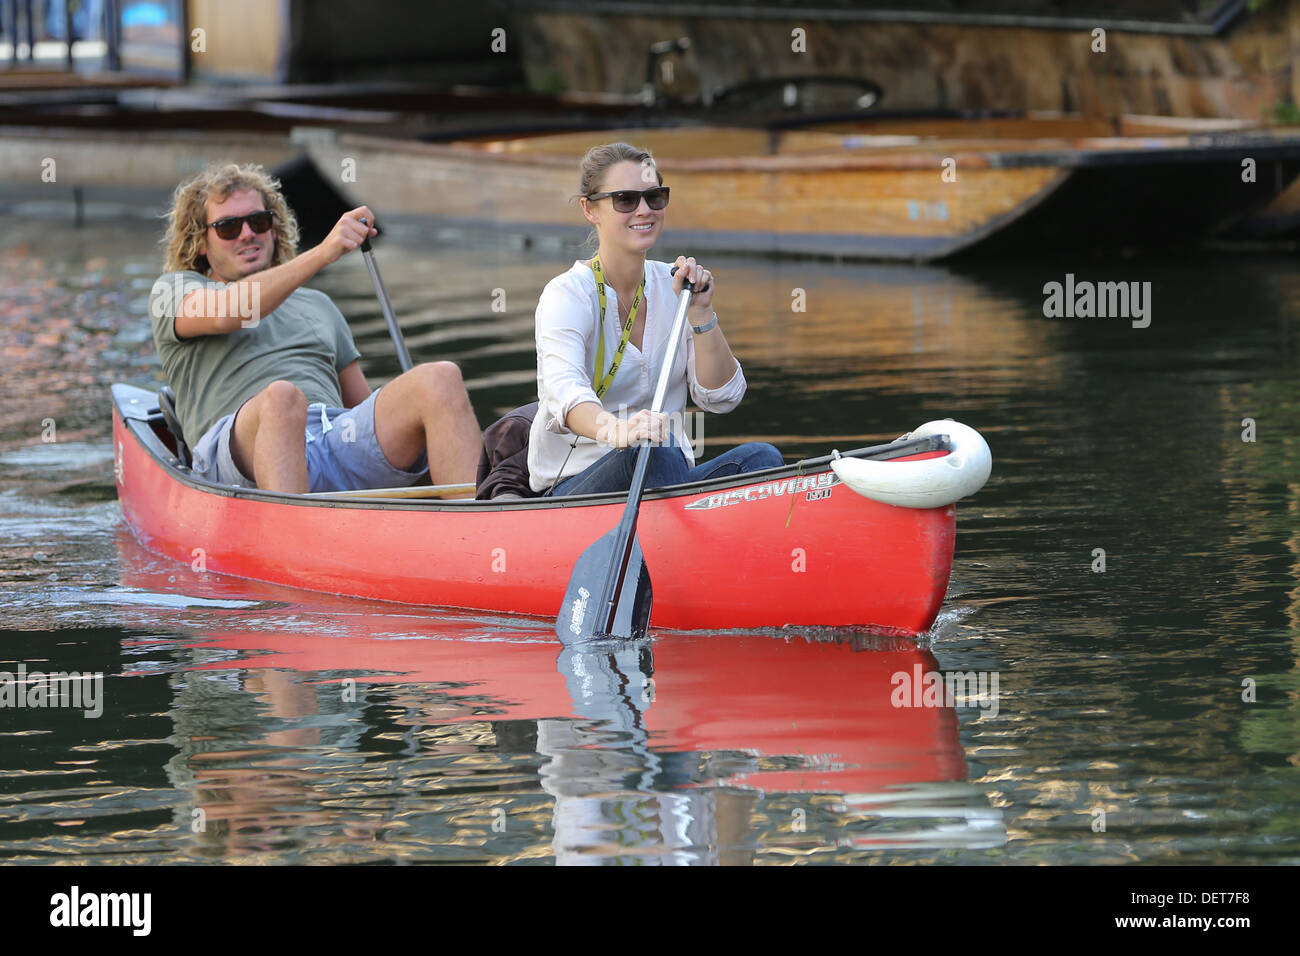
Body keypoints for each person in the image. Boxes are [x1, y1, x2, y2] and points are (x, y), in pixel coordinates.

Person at [149, 162, 480, 496]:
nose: (247, 233)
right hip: (237, 454)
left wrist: (416, 430)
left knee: (439, 377)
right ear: (201, 243)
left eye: (259, 221)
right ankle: (292, 536)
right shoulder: (174, 290)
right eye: (228, 227)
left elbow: (361, 408)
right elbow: (229, 313)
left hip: (333, 436)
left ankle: (477, 524)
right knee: (283, 397)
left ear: (274, 229)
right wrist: (323, 253)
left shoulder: (318, 304)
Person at [528, 142, 782, 496]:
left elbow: (722, 397)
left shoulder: (677, 286)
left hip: (666, 473)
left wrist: (701, 312)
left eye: (654, 197)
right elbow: (565, 395)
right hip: (576, 485)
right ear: (590, 209)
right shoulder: (567, 295)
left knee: (761, 458)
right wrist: (619, 431)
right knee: (655, 447)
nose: (644, 210)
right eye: (625, 200)